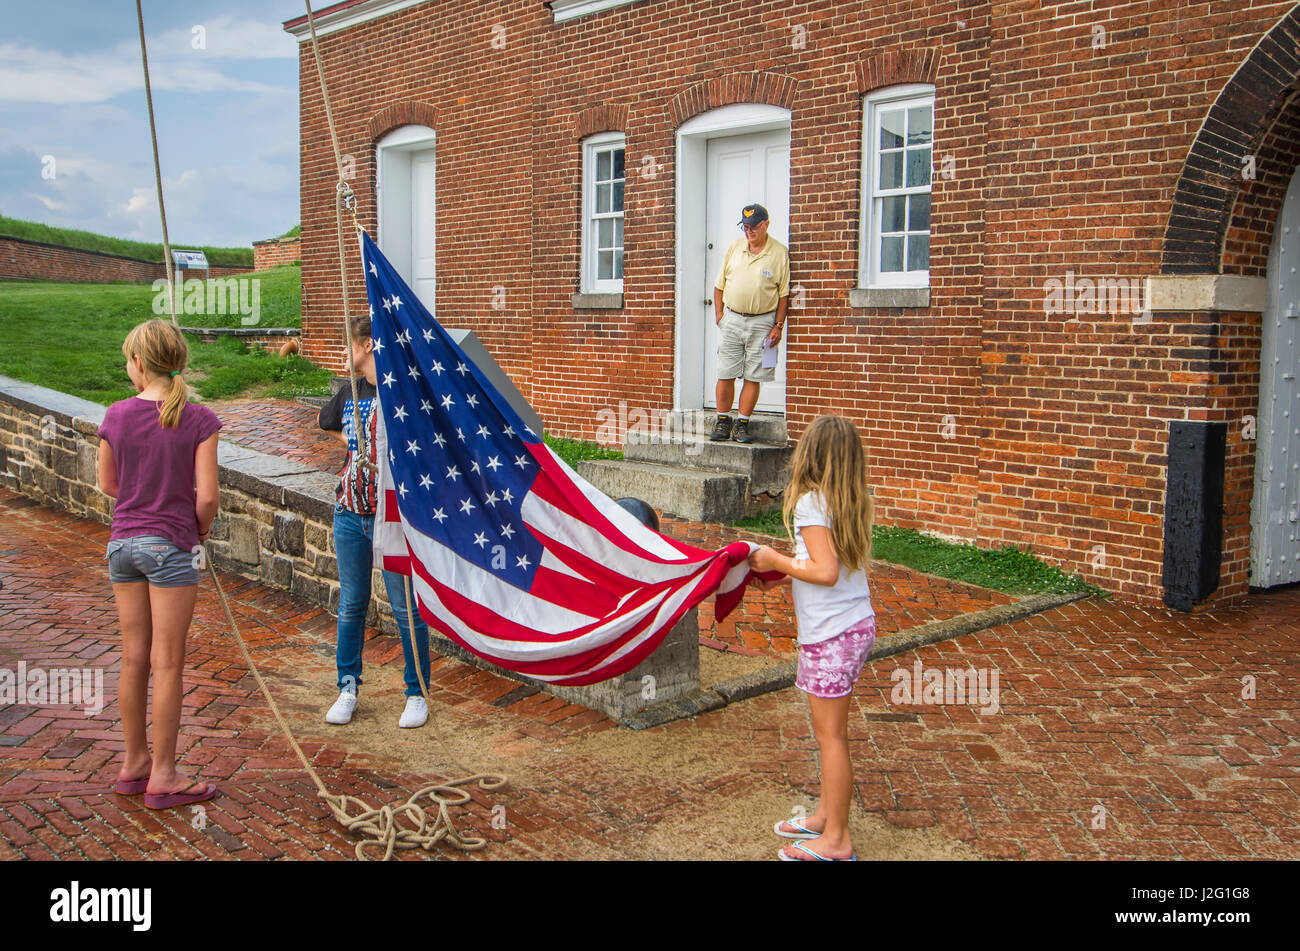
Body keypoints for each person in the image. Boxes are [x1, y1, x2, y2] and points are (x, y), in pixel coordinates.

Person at [97, 319, 221, 810]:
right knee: (168, 662)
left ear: (140, 364)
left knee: (133, 658)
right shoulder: (199, 420)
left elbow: (109, 485)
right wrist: (199, 529)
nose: (128, 368)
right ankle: (166, 773)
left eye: (129, 360)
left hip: (122, 546)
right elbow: (207, 498)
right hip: (170, 546)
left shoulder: (115, 415)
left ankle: (134, 763)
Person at [747, 415, 875, 860]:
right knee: (831, 733)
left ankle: (836, 840)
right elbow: (824, 563)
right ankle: (824, 815)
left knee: (831, 737)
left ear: (811, 454)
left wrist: (774, 559)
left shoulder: (811, 503)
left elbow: (824, 570)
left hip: (832, 636)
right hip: (855, 625)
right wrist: (782, 575)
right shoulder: (846, 499)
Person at [318, 315, 432, 729]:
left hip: (392, 516)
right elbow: (326, 421)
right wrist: (352, 444)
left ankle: (416, 691)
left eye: (348, 345)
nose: (344, 354)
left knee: (406, 609)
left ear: (367, 345)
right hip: (349, 511)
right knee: (352, 603)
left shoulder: (398, 393)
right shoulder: (351, 390)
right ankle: (347, 687)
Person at [710, 202, 790, 444]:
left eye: (754, 226)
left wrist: (778, 326)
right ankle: (723, 421)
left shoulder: (779, 253)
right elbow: (719, 285)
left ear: (766, 224)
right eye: (745, 227)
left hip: (763, 321)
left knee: (753, 375)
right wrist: (719, 315)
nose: (749, 231)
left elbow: (784, 294)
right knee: (726, 372)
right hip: (732, 318)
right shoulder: (735, 248)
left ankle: (742, 424)